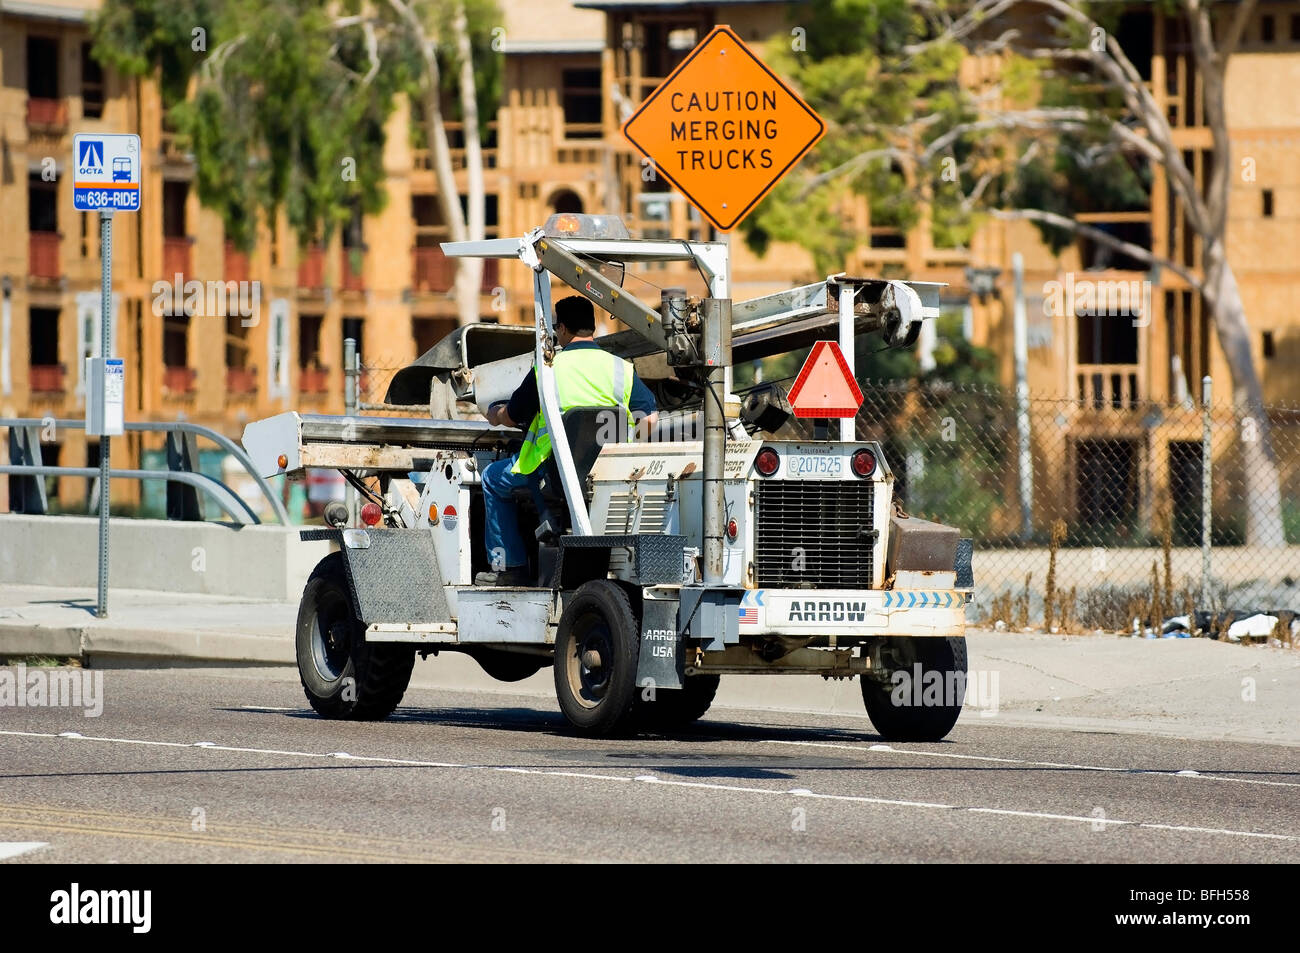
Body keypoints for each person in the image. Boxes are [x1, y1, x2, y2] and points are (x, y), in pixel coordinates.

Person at [476, 295, 657, 585]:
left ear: (561, 329)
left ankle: (508, 567)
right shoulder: (621, 369)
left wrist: (494, 414)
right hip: (607, 476)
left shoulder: (547, 369)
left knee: (491, 479)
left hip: (553, 473)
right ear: (593, 327)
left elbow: (511, 416)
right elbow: (649, 421)